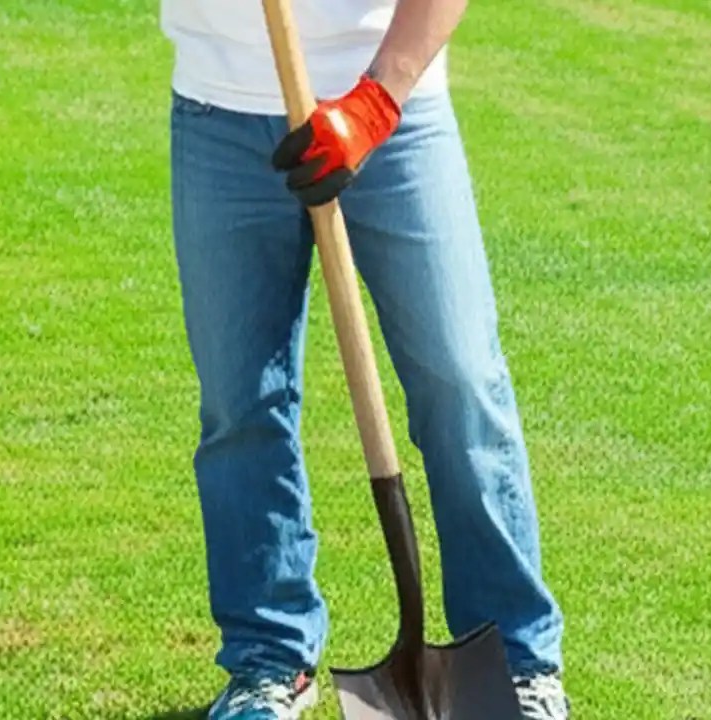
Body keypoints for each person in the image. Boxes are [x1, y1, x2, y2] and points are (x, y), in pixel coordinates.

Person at [160, 1, 569, 718]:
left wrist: (377, 102)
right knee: (240, 403)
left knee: (461, 384)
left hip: (392, 109)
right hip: (218, 109)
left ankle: (515, 665)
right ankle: (268, 660)